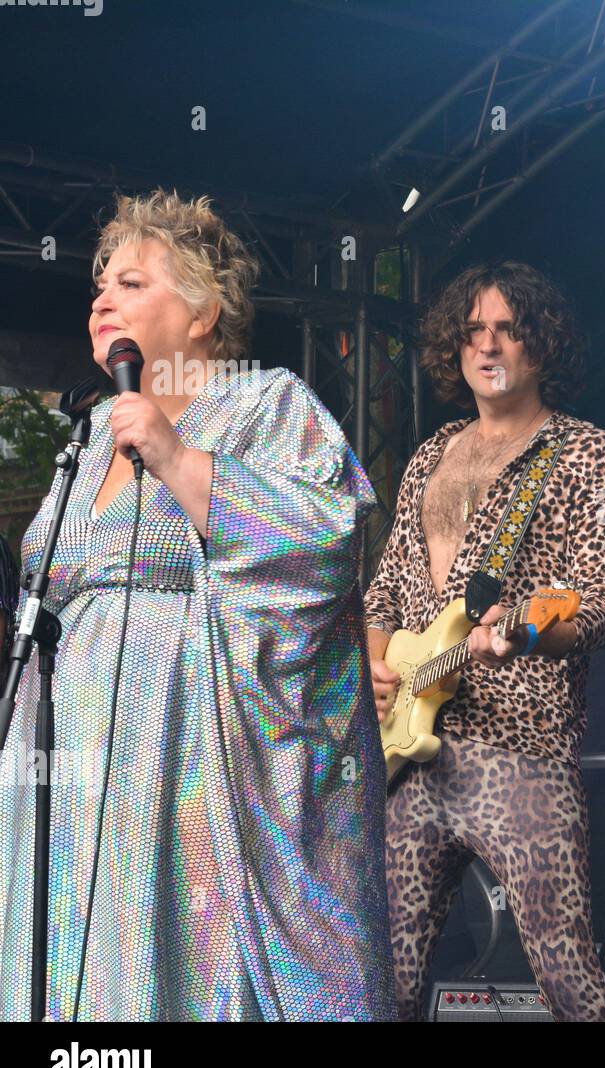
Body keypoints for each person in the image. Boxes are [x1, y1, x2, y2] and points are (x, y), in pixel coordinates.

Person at [0, 189, 395, 1020]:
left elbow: (324, 543)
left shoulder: (268, 404)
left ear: (206, 310)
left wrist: (180, 457)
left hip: (194, 777)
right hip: (70, 772)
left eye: (134, 282)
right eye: (99, 286)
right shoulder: (88, 436)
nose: (103, 298)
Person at [365, 260, 605, 1022]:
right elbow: (386, 589)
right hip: (410, 753)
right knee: (389, 980)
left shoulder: (589, 454)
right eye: (473, 331)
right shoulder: (430, 454)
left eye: (508, 330)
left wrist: (526, 629)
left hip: (522, 749)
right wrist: (379, 664)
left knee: (568, 978)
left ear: (543, 346)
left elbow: (602, 604)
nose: (487, 347)